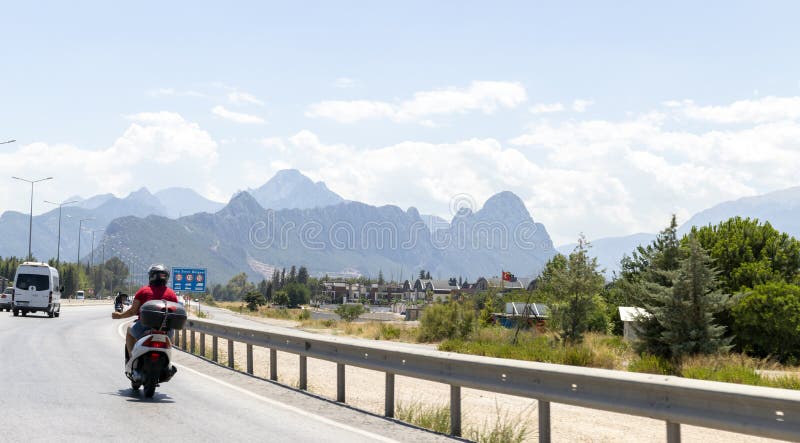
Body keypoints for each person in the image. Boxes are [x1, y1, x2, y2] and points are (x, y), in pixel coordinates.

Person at [112, 264, 179, 358]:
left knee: (129, 331)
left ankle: (132, 357)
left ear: (151, 276)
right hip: (166, 330)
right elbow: (175, 313)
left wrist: (119, 315)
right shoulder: (171, 294)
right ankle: (168, 360)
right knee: (169, 343)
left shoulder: (143, 291)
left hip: (144, 327)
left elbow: (132, 311)